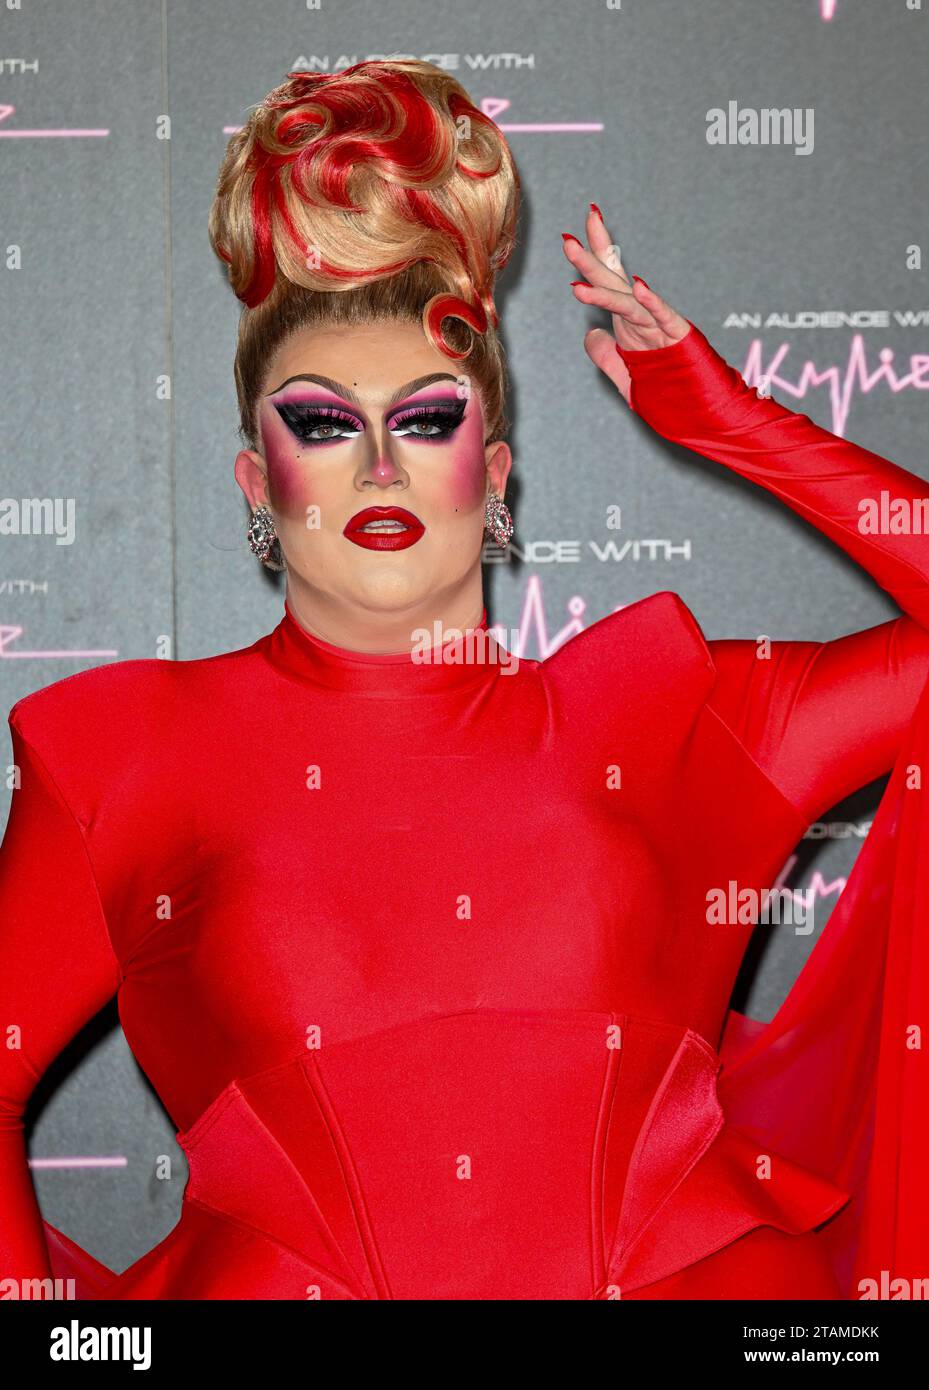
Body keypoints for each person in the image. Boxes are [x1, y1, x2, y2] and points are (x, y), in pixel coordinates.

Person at [1, 59, 927, 1301]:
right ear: (255, 485)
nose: (377, 462)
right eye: (322, 422)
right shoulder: (128, 759)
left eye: (426, 419)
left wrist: (735, 425)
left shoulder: (669, 712)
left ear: (493, 474)